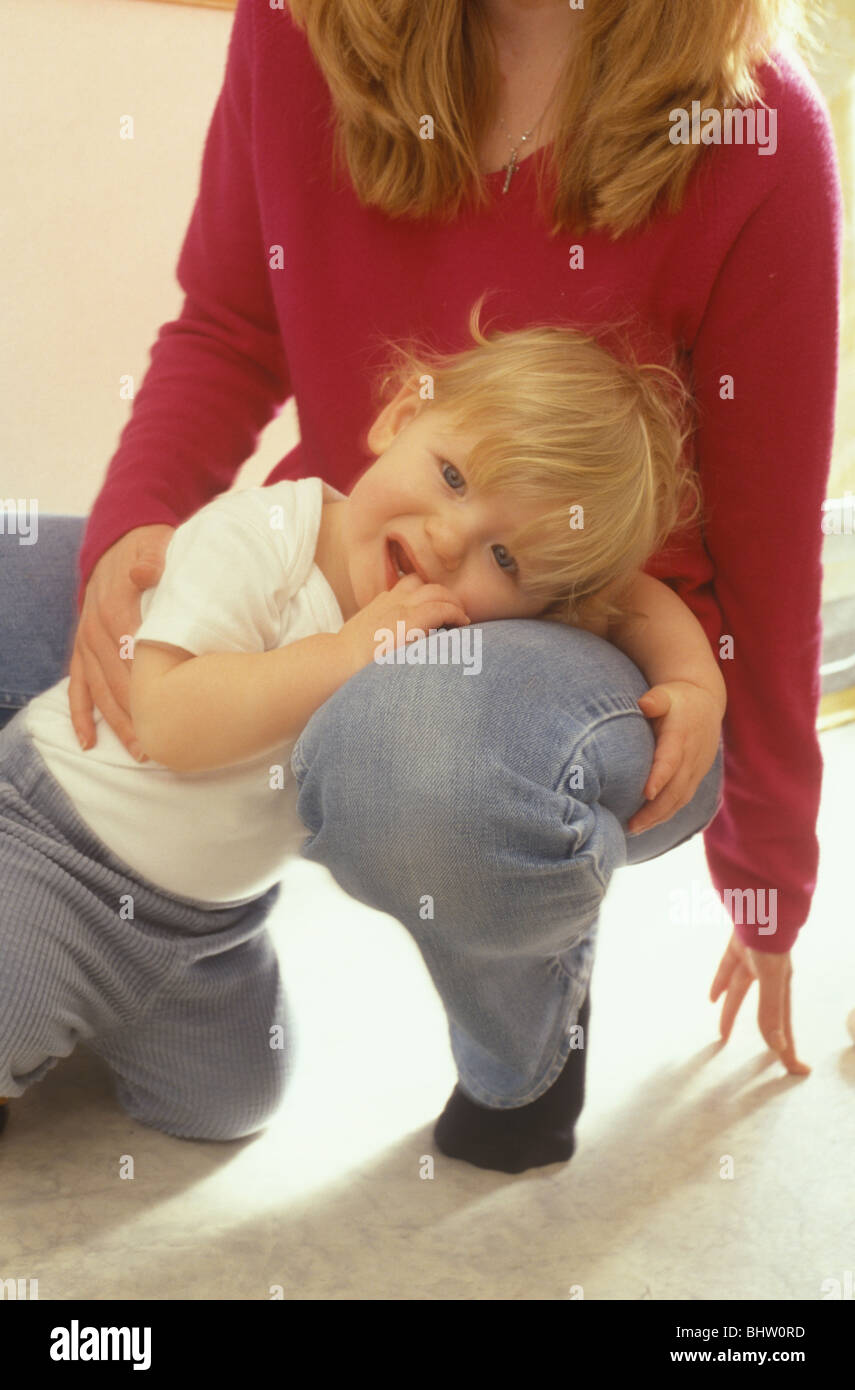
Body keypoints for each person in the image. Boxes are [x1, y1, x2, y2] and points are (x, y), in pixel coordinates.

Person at [0, 0, 840, 1171]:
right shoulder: (298, 27)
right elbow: (228, 329)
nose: (452, 532)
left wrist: (768, 879)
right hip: (331, 568)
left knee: (410, 743)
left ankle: (525, 1036)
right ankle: (128, 942)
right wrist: (128, 550)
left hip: (579, 657)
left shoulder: (753, 134)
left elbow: (767, 547)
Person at [0, 310, 724, 1151]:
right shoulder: (267, 537)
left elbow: (629, 599)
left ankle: (86, 1013)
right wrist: (346, 652)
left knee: (229, 1108)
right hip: (53, 846)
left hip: (208, 926)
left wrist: (693, 679)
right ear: (398, 418)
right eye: (452, 476)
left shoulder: (451, 625)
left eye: (505, 558)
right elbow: (166, 721)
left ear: (542, 605)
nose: (451, 539)